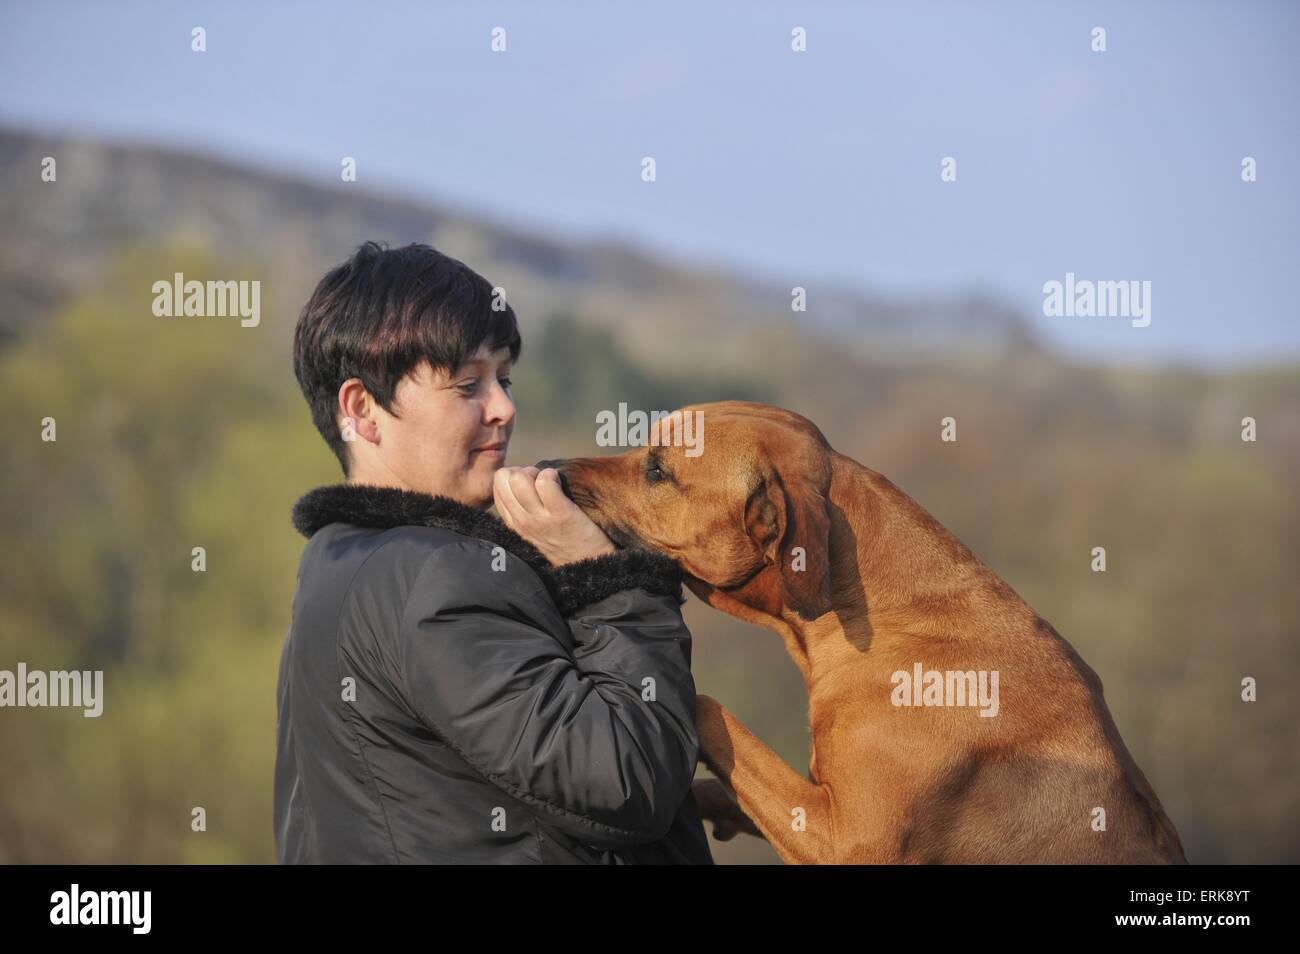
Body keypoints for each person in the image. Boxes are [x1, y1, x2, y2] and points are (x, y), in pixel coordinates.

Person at [275, 240, 713, 863]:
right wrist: (609, 582)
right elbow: (624, 783)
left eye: (503, 378)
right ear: (362, 412)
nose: (505, 408)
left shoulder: (337, 568)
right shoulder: (438, 578)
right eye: (466, 385)